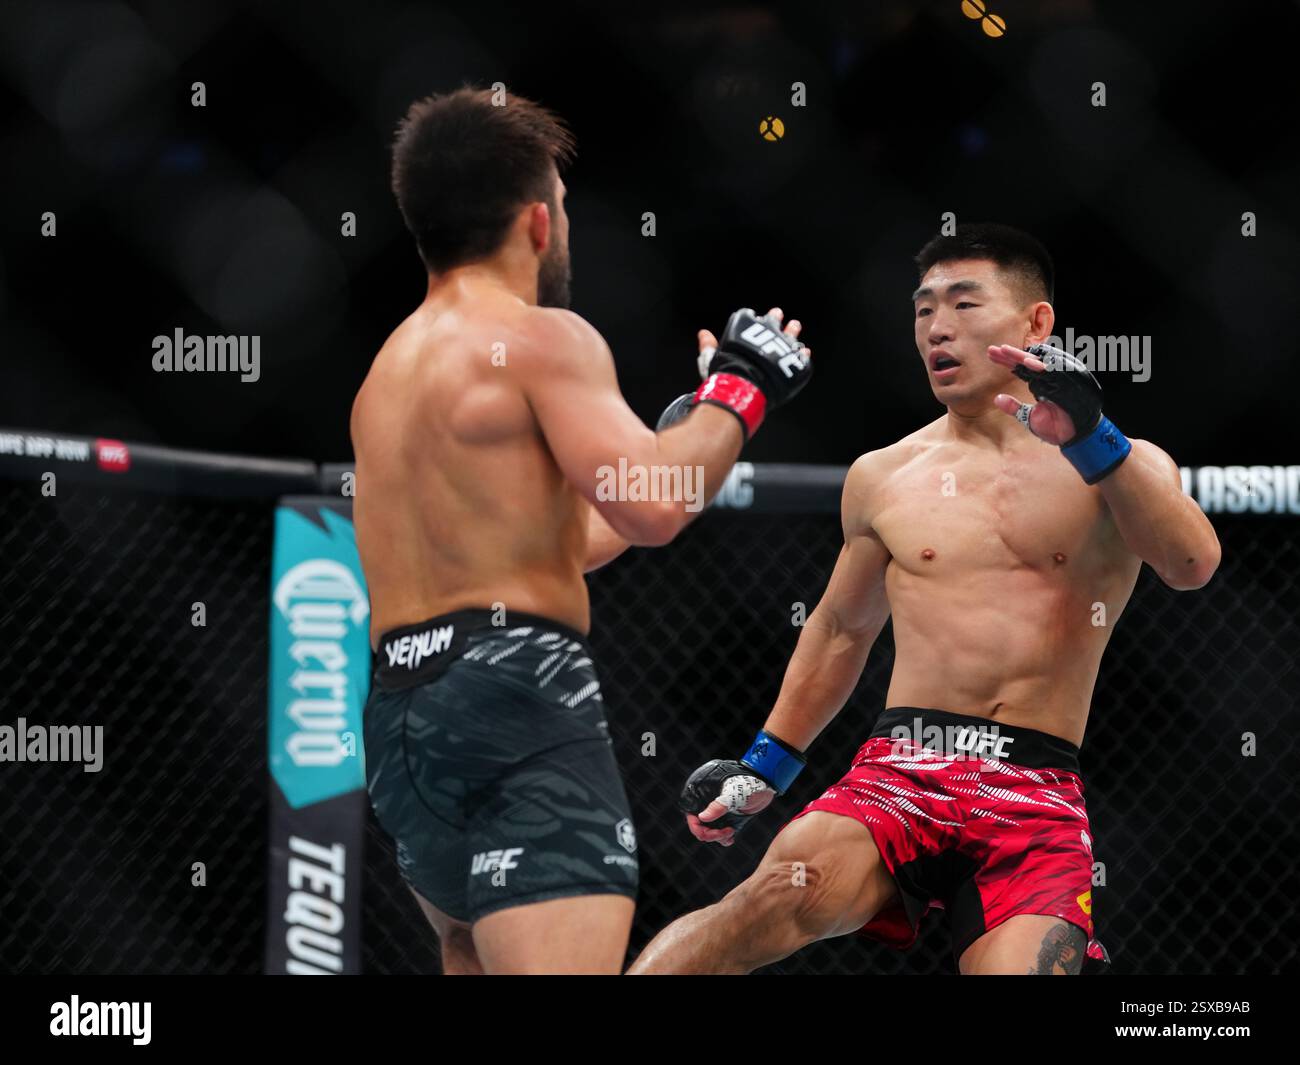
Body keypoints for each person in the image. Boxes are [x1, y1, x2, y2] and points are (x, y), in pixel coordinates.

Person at [629, 223, 1221, 975]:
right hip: (901, 771)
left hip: (1035, 789)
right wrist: (765, 766)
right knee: (774, 894)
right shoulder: (885, 474)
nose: (938, 327)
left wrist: (1094, 437)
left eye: (964, 304)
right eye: (923, 309)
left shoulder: (1118, 465)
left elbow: (1191, 563)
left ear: (1036, 323)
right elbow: (841, 629)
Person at [350, 87, 812, 974]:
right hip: (517, 691)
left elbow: (572, 539)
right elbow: (657, 503)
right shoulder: (542, 337)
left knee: (467, 954)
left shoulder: (388, 374)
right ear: (536, 221)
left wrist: (687, 431)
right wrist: (742, 388)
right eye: (561, 208)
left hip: (405, 717)